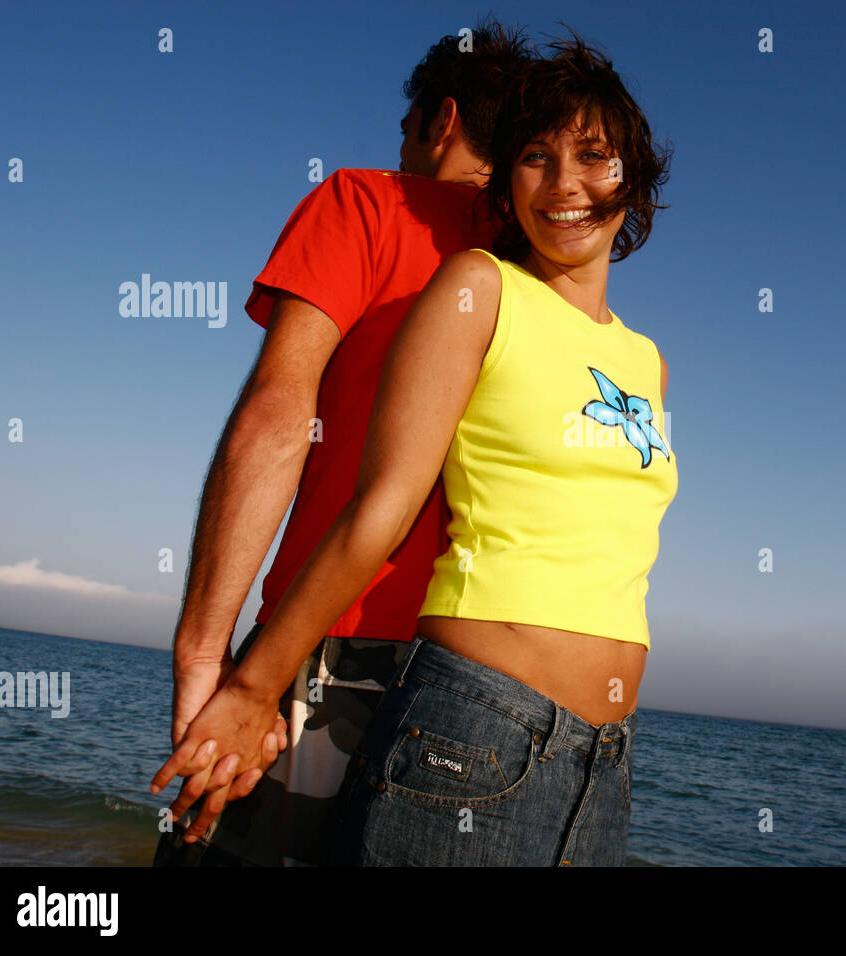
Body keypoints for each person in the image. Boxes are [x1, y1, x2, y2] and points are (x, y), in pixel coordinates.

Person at [152, 31, 675, 866]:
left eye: (591, 156)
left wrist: (205, 650)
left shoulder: (368, 205)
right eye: (537, 155)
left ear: (443, 120)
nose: (564, 180)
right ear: (512, 160)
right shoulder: (503, 271)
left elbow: (276, 414)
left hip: (348, 657)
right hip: (445, 682)